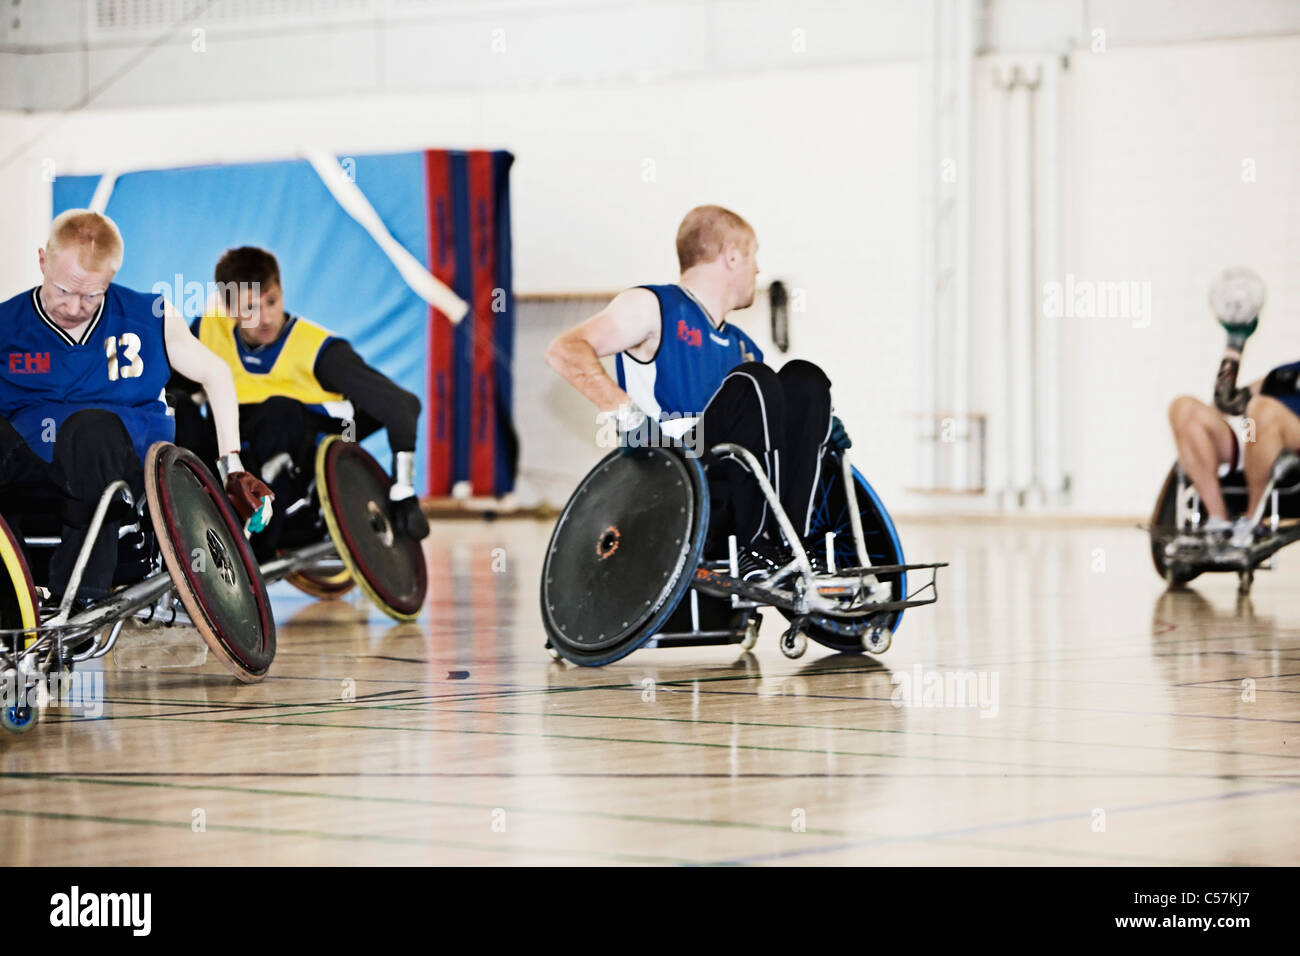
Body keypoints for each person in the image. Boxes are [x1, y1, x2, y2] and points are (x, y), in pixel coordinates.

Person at [544, 204, 851, 562]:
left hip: (738, 481)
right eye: (754, 256)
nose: (758, 268)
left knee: (805, 380)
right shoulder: (653, 306)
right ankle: (759, 542)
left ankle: (789, 545)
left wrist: (816, 424)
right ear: (733, 256)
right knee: (755, 382)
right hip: (676, 468)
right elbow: (564, 350)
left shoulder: (744, 347)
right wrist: (627, 417)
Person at [0, 210, 272, 606]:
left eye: (92, 294)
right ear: (42, 261)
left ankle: (82, 598)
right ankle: (14, 595)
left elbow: (216, 373)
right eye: (63, 290)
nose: (75, 307)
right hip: (33, 463)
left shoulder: (150, 316)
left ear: (111, 277)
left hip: (116, 463)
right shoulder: (7, 324)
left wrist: (233, 466)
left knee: (89, 428)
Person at [169, 246, 428, 561]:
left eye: (272, 302)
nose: (265, 318)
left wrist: (404, 491)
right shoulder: (208, 330)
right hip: (229, 456)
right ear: (228, 308)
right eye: (250, 308)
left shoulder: (321, 351)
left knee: (279, 411)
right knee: (176, 405)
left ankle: (257, 552)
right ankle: (173, 529)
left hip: (294, 460)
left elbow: (403, 405)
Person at [1166, 266, 1296, 550]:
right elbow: (1225, 402)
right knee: (1184, 408)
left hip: (1289, 449)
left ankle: (1251, 521)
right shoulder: (1285, 375)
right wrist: (1235, 343)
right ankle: (1219, 521)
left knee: (1261, 411)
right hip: (1255, 440)